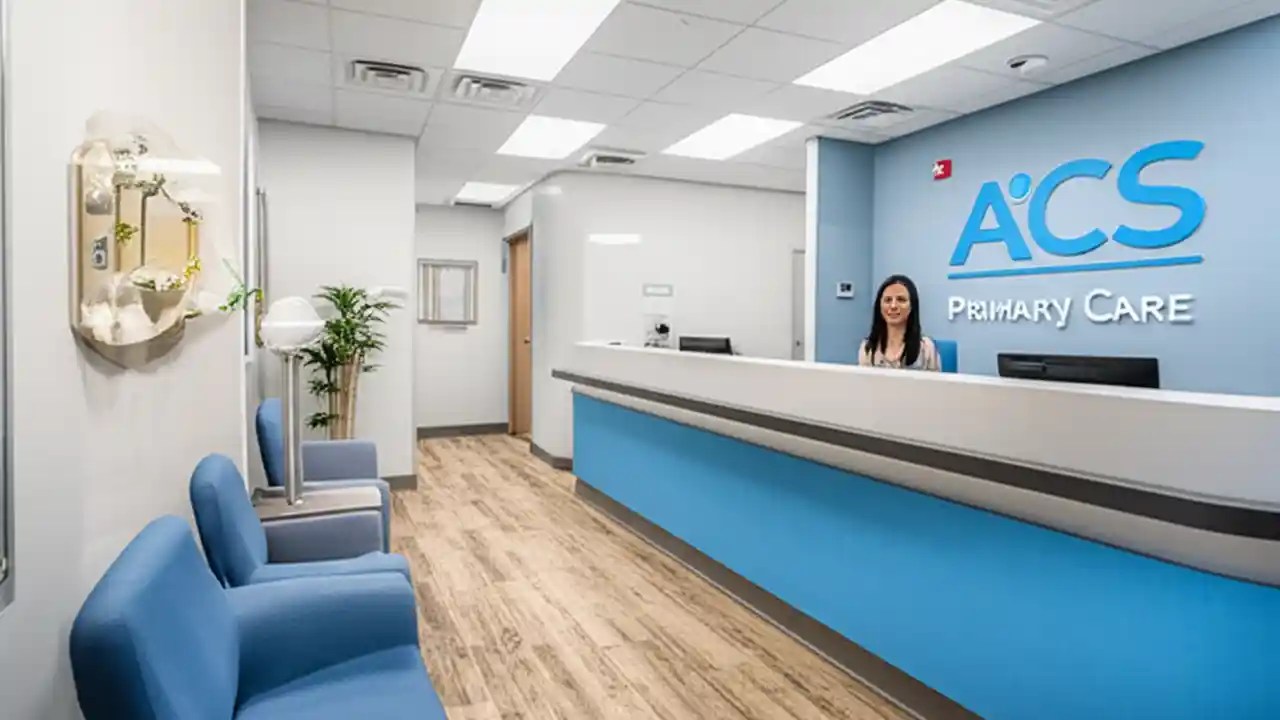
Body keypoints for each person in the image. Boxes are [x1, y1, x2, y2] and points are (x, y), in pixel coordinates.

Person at [859, 274, 940, 371]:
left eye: (901, 300)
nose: (893, 306)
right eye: (888, 300)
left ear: (911, 306)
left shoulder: (927, 348)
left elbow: (935, 385)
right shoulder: (868, 348)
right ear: (879, 306)